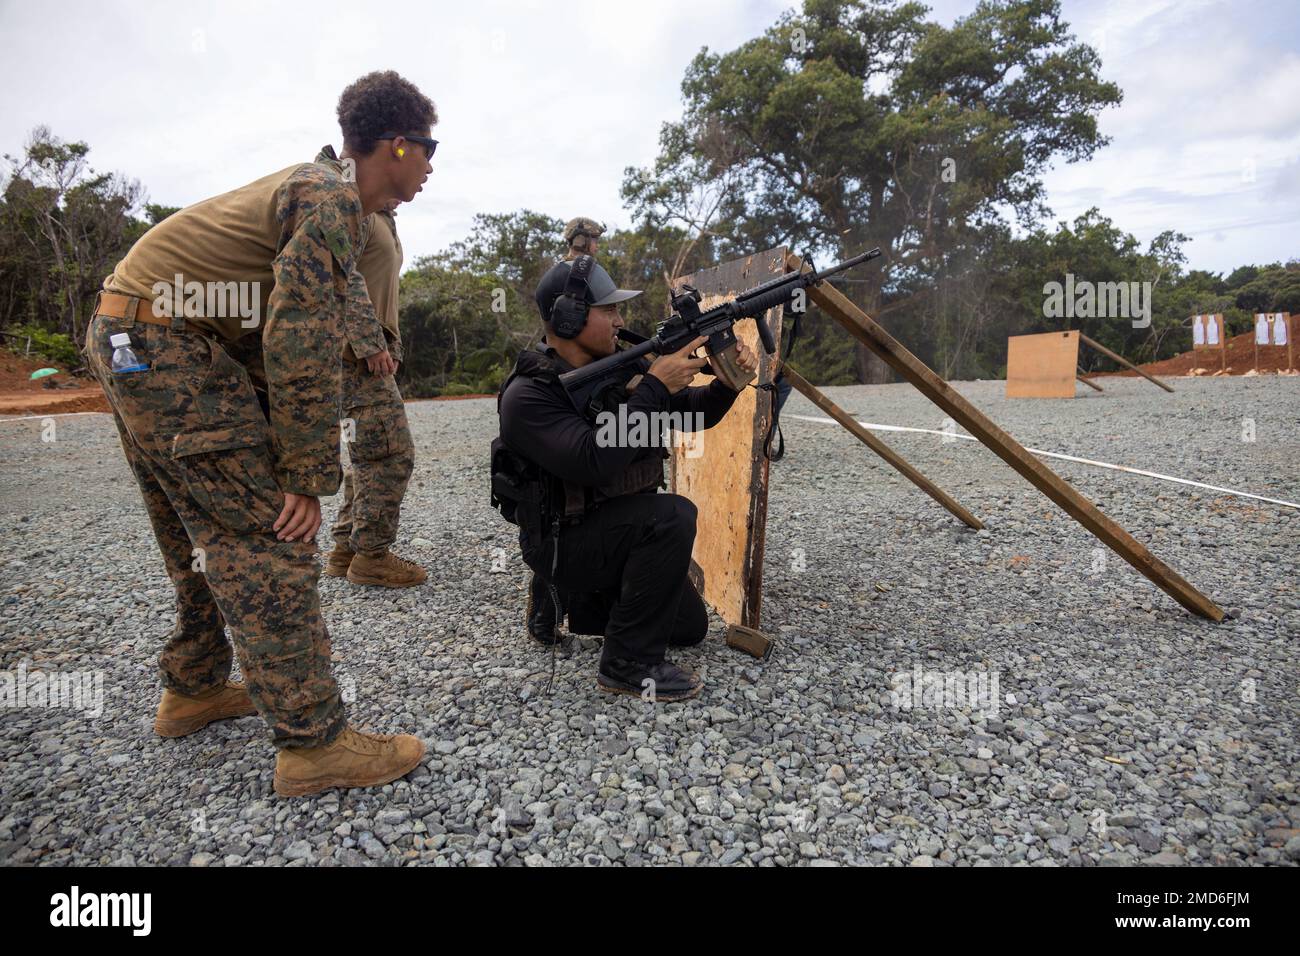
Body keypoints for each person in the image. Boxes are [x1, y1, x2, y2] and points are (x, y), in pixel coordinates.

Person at [83, 70, 437, 796]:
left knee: (197, 530)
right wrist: (305, 476)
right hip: (163, 342)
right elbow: (298, 332)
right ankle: (314, 744)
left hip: (132, 336)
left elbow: (287, 325)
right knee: (268, 534)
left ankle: (195, 687)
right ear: (395, 145)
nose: (433, 165)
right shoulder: (332, 196)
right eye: (429, 148)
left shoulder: (332, 200)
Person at [494, 256, 756, 700]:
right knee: (672, 515)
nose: (620, 320)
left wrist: (728, 383)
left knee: (689, 629)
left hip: (609, 528)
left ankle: (566, 599)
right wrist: (654, 387)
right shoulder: (529, 395)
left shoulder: (621, 367)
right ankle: (627, 664)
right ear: (569, 317)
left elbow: (691, 414)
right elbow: (592, 460)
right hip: (561, 541)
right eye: (609, 310)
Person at [324, 199, 425, 587]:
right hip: (354, 355)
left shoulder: (381, 216)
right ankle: (372, 556)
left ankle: (346, 550)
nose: (428, 167)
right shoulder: (359, 211)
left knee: (367, 452)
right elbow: (341, 275)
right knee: (391, 454)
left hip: (359, 353)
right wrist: (369, 342)